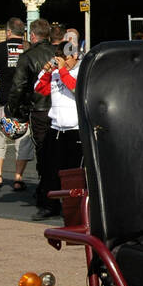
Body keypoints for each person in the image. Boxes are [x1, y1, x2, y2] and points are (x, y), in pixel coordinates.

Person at [0, 17, 35, 190]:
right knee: (23, 139)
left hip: (4, 99)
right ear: (23, 33)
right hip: (24, 102)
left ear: (8, 32)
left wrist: (1, 76)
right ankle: (18, 178)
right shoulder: (28, 48)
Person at [6, 18, 53, 205]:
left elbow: (18, 86)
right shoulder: (57, 53)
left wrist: (14, 109)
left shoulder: (27, 56)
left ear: (32, 35)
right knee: (59, 148)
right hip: (58, 108)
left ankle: (45, 188)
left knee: (42, 147)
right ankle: (57, 184)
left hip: (38, 108)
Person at [32, 41, 82, 219]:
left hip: (74, 130)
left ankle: (74, 209)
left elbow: (77, 89)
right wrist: (46, 71)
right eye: (60, 58)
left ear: (75, 56)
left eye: (66, 59)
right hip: (56, 127)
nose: (64, 62)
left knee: (73, 172)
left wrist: (62, 71)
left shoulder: (80, 71)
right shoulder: (54, 73)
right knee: (50, 170)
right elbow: (39, 89)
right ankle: (49, 206)